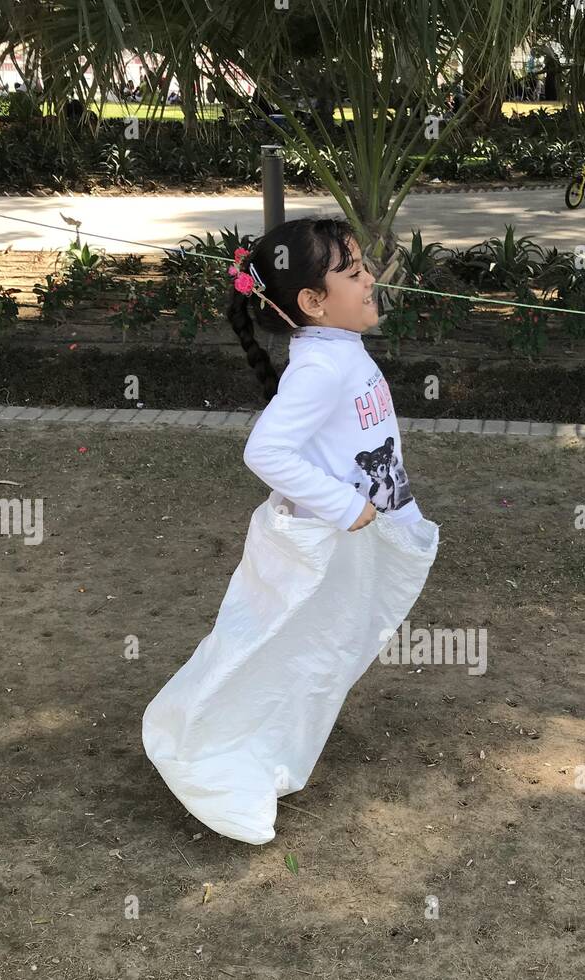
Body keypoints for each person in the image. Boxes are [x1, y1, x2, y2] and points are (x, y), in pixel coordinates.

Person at [141, 218, 438, 846]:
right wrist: (345, 507)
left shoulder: (339, 351)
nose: (370, 280)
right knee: (279, 650)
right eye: (354, 273)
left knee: (315, 657)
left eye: (364, 266)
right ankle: (217, 755)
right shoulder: (319, 368)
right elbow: (266, 451)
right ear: (312, 303)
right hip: (322, 547)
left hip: (346, 544)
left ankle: (265, 751)